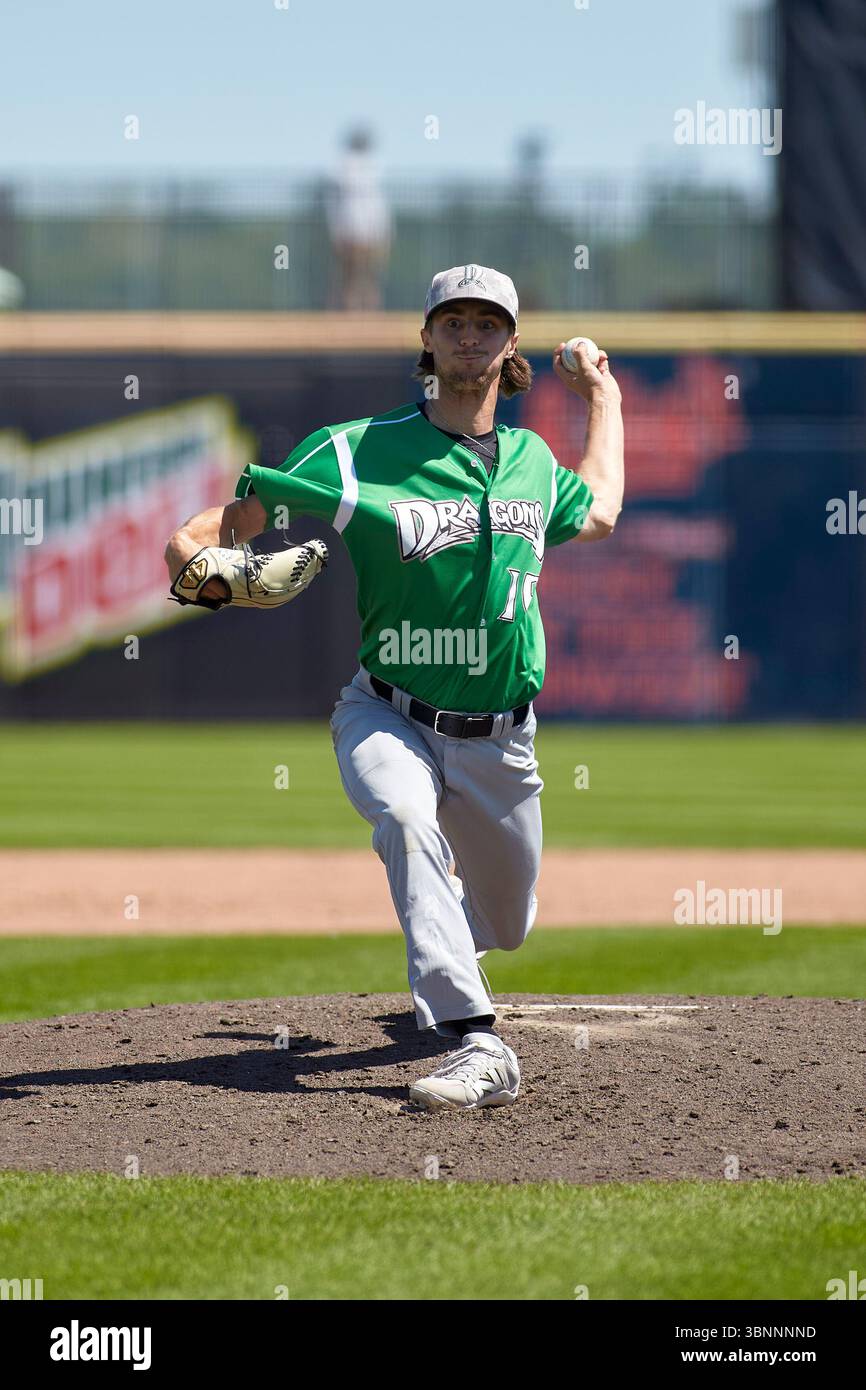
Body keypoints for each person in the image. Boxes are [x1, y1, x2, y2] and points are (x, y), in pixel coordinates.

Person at [164, 263, 624, 1111]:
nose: (470, 335)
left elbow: (597, 510)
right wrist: (195, 556)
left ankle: (456, 941)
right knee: (407, 820)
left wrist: (604, 395)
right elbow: (229, 521)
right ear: (426, 337)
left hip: (502, 740)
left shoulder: (528, 458)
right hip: (387, 712)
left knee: (510, 924)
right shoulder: (356, 450)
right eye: (454, 320)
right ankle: (476, 1043)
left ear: (510, 343)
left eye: (488, 322)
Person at [325, 128, 391, 311]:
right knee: (350, 277)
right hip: (352, 231)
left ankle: (367, 314)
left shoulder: (372, 168)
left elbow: (378, 207)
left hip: (366, 232)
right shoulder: (344, 167)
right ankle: (349, 314)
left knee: (366, 276)